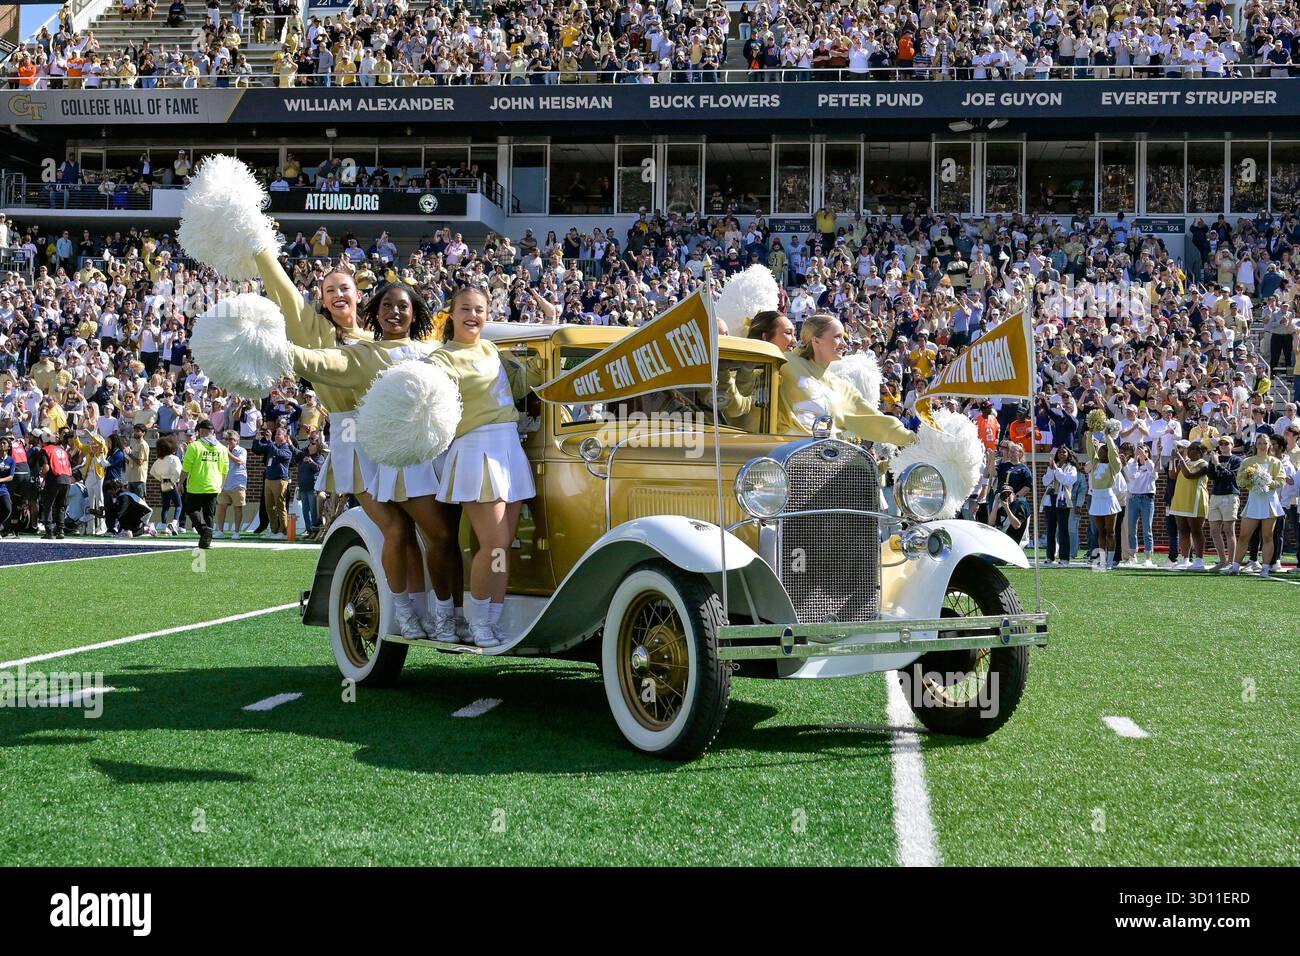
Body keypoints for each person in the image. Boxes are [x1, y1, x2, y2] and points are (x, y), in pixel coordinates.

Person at [282, 281, 460, 641]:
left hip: (425, 454)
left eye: (403, 306)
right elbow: (317, 361)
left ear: (415, 312)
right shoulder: (365, 353)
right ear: (376, 312)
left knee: (436, 535)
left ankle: (440, 613)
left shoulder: (431, 351)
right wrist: (276, 348)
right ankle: (407, 614)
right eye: (387, 306)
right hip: (380, 453)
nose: (395, 312)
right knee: (400, 530)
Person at [425, 286, 547, 648]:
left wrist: (551, 322)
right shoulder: (440, 358)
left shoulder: (493, 349)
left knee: (503, 545)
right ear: (451, 313)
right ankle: (476, 622)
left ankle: (491, 620)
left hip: (508, 445)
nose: (473, 316)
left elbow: (527, 379)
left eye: (479, 309)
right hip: (475, 448)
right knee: (492, 543)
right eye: (465, 309)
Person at [775, 313, 918, 447]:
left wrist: (915, 441)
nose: (845, 343)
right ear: (816, 340)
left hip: (824, 462)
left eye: (844, 338)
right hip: (780, 459)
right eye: (837, 337)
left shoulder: (842, 387)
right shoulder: (785, 361)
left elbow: (875, 421)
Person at [1221, 433, 1286, 577]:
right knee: (1244, 536)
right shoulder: (1248, 461)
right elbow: (1240, 480)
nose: (1262, 446)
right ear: (1255, 445)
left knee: (1267, 536)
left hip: (1269, 502)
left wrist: (1268, 483)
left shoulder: (1275, 462)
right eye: (1260, 443)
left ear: (1269, 445)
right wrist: (1252, 482)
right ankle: (1235, 567)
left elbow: (1281, 480)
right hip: (1254, 501)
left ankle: (1265, 568)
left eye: (1265, 443)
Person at [180, 419, 228, 549]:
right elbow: (225, 470)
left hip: (196, 485)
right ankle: (206, 541)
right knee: (209, 514)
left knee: (191, 509)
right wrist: (221, 485)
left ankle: (203, 530)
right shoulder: (222, 448)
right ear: (213, 432)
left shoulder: (194, 446)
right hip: (214, 485)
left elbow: (186, 468)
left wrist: (180, 483)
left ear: (200, 432)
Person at [1167, 439, 1210, 571]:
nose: (1188, 451)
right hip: (1181, 499)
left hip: (1195, 500)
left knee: (1196, 530)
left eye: (1192, 449)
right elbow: (1173, 475)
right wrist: (1172, 461)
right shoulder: (1184, 462)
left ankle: (1199, 560)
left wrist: (1180, 459)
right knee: (1183, 530)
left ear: (1200, 452)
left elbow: (1189, 475)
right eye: (1189, 448)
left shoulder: (1203, 464)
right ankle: (1185, 559)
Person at [1085, 421, 1123, 570]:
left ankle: (1110, 561)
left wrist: (1108, 437)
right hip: (1096, 498)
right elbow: (1089, 449)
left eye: (1102, 451)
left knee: (1111, 532)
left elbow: (1114, 452)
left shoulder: (1114, 466)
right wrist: (1090, 433)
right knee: (1100, 532)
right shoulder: (1094, 463)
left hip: (1108, 498)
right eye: (1099, 450)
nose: (1099, 452)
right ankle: (1101, 560)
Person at [251, 425, 294, 539]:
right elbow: (259, 448)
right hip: (269, 480)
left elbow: (278, 453)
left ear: (285, 437)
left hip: (280, 480)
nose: (275, 436)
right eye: (276, 434)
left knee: (280, 506)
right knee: (269, 507)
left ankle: (284, 531)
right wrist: (257, 438)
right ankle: (274, 530)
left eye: (278, 434)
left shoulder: (287, 449)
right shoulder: (272, 446)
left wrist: (270, 441)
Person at [1204, 435, 1240, 570]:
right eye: (1221, 443)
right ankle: (1222, 560)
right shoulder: (1214, 459)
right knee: (1214, 530)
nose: (1223, 445)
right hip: (1216, 495)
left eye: (1226, 443)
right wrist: (1214, 463)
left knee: (1229, 530)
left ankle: (1231, 562)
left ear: (1232, 445)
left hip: (1230, 495)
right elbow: (1211, 476)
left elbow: (1231, 477)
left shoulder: (1236, 459)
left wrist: (1218, 464)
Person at [1121, 442, 1158, 567]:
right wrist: (1136, 461)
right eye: (1139, 452)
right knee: (1132, 529)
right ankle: (1132, 556)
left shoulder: (1150, 464)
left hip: (1147, 499)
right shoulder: (1132, 465)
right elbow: (1131, 476)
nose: (1141, 454)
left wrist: (1145, 458)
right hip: (1133, 499)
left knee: (1147, 529)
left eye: (1145, 451)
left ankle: (1148, 557)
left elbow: (1153, 473)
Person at [1041, 446, 1076, 566]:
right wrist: (1051, 470)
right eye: (1060, 452)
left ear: (1068, 454)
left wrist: (1056, 470)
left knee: (1063, 530)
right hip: (1050, 500)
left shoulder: (1071, 468)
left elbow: (1066, 481)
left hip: (1063, 501)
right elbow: (1045, 481)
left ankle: (1064, 557)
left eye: (1064, 452)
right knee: (1050, 529)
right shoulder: (1052, 467)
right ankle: (1050, 556)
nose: (1061, 454)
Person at [38, 429, 74, 539]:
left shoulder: (44, 450)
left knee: (48, 505)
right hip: (67, 479)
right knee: (61, 506)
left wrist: (41, 474)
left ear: (43, 441)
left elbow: (46, 467)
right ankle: (60, 530)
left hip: (54, 479)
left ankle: (49, 531)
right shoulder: (62, 450)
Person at [215, 429, 247, 539]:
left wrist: (227, 453)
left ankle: (237, 532)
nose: (228, 441)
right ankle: (220, 531)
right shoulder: (222, 451)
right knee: (221, 507)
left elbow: (239, 461)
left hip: (238, 483)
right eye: (226, 439)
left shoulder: (242, 450)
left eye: (231, 439)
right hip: (224, 483)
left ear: (236, 440)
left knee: (238, 508)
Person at [149, 435, 183, 535]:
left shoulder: (159, 460)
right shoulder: (174, 458)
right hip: (172, 484)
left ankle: (164, 526)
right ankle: (174, 522)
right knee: (178, 505)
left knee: (165, 506)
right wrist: (173, 481)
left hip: (163, 484)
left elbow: (152, 472)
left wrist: (161, 479)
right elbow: (178, 472)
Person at [0, 435, 14, 536]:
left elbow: (11, 477)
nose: (1, 444)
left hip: (3, 489)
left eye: (4, 443)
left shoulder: (11, 460)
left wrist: (0, 480)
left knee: (8, 508)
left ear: (8, 447)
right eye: (0, 443)